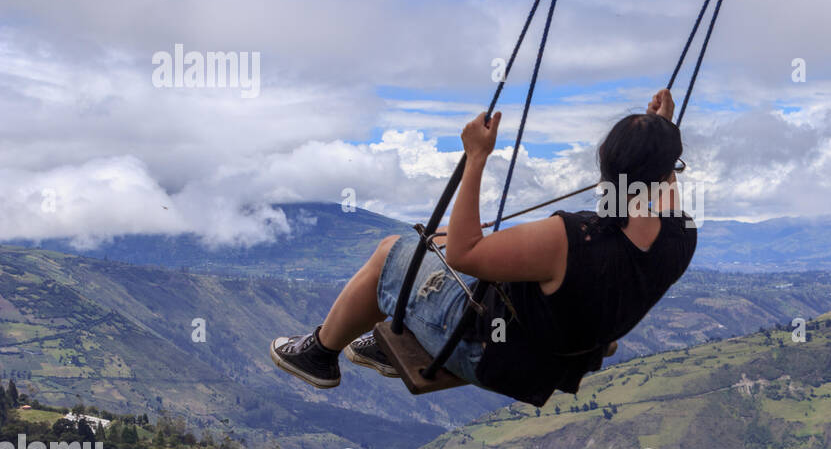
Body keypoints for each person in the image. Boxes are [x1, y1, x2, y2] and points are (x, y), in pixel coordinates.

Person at [270, 88, 696, 406]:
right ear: (668, 170)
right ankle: (392, 338)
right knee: (434, 243)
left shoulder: (569, 240)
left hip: (496, 352)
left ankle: (320, 353)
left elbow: (464, 253)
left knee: (394, 250)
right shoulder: (681, 234)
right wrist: (660, 131)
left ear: (606, 164)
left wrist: (476, 157)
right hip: (562, 356)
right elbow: (657, 178)